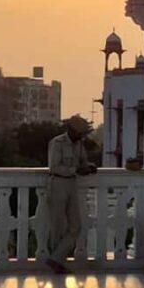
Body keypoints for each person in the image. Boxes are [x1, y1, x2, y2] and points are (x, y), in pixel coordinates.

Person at [46, 115, 97, 274]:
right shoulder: (57, 142)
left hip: (72, 183)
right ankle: (57, 262)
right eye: (79, 133)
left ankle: (55, 258)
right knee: (57, 224)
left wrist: (88, 166)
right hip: (58, 183)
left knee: (76, 225)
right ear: (70, 130)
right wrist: (75, 170)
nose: (81, 136)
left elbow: (82, 160)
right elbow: (54, 167)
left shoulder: (79, 144)